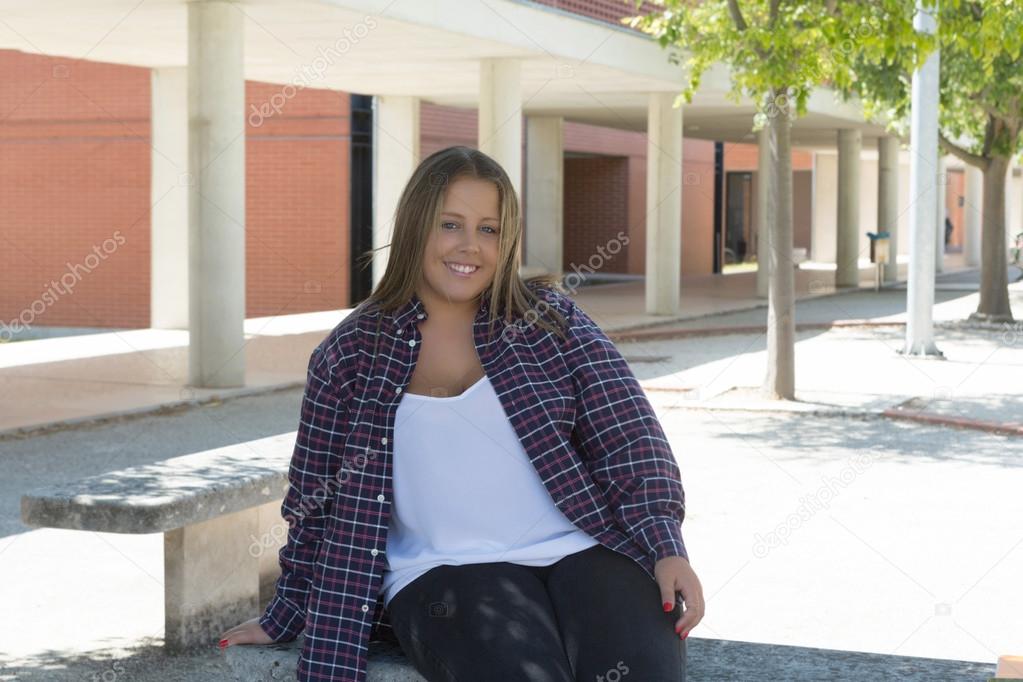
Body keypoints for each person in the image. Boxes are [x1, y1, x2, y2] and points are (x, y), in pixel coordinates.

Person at [217, 145, 703, 681]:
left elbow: (631, 441)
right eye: (451, 224)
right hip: (443, 575)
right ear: (416, 228)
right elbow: (315, 498)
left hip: (584, 550)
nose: (470, 246)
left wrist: (666, 548)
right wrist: (288, 612)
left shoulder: (551, 323)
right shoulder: (352, 352)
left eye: (489, 230)